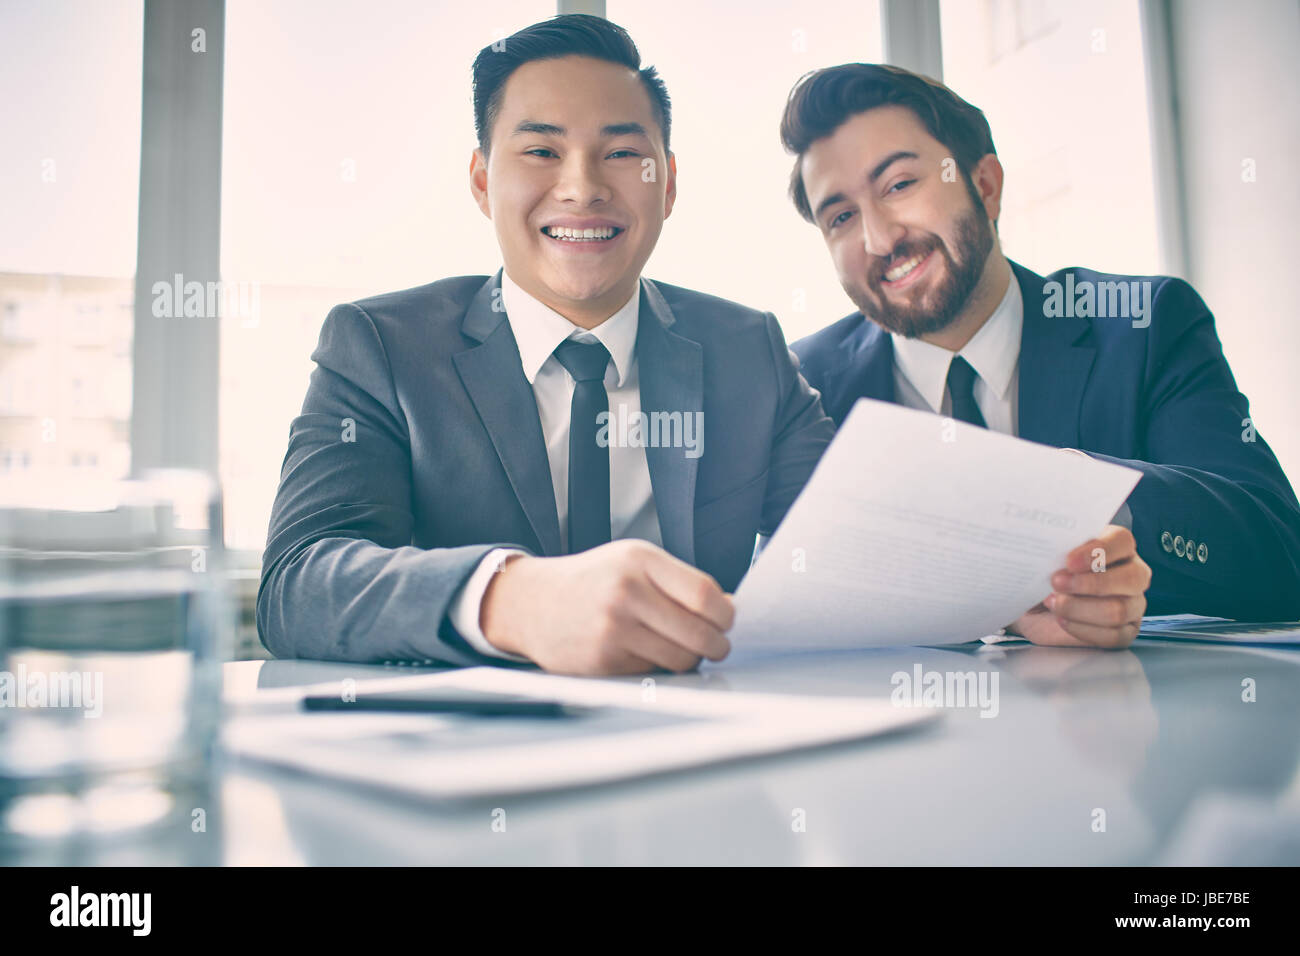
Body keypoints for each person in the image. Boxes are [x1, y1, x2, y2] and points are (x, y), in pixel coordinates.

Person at [257, 15, 835, 674]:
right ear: (481, 182)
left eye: (621, 153)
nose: (583, 188)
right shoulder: (381, 347)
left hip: (703, 744)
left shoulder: (748, 350)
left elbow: (852, 554)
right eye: (541, 152)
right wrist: (511, 599)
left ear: (667, 183)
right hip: (472, 756)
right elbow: (298, 586)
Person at [784, 63, 1300, 642]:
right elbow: (780, 603)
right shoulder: (805, 384)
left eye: (900, 185)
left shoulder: (1144, 324)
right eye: (842, 216)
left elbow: (1282, 553)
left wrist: (1095, 498)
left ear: (985, 185)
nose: (880, 239)